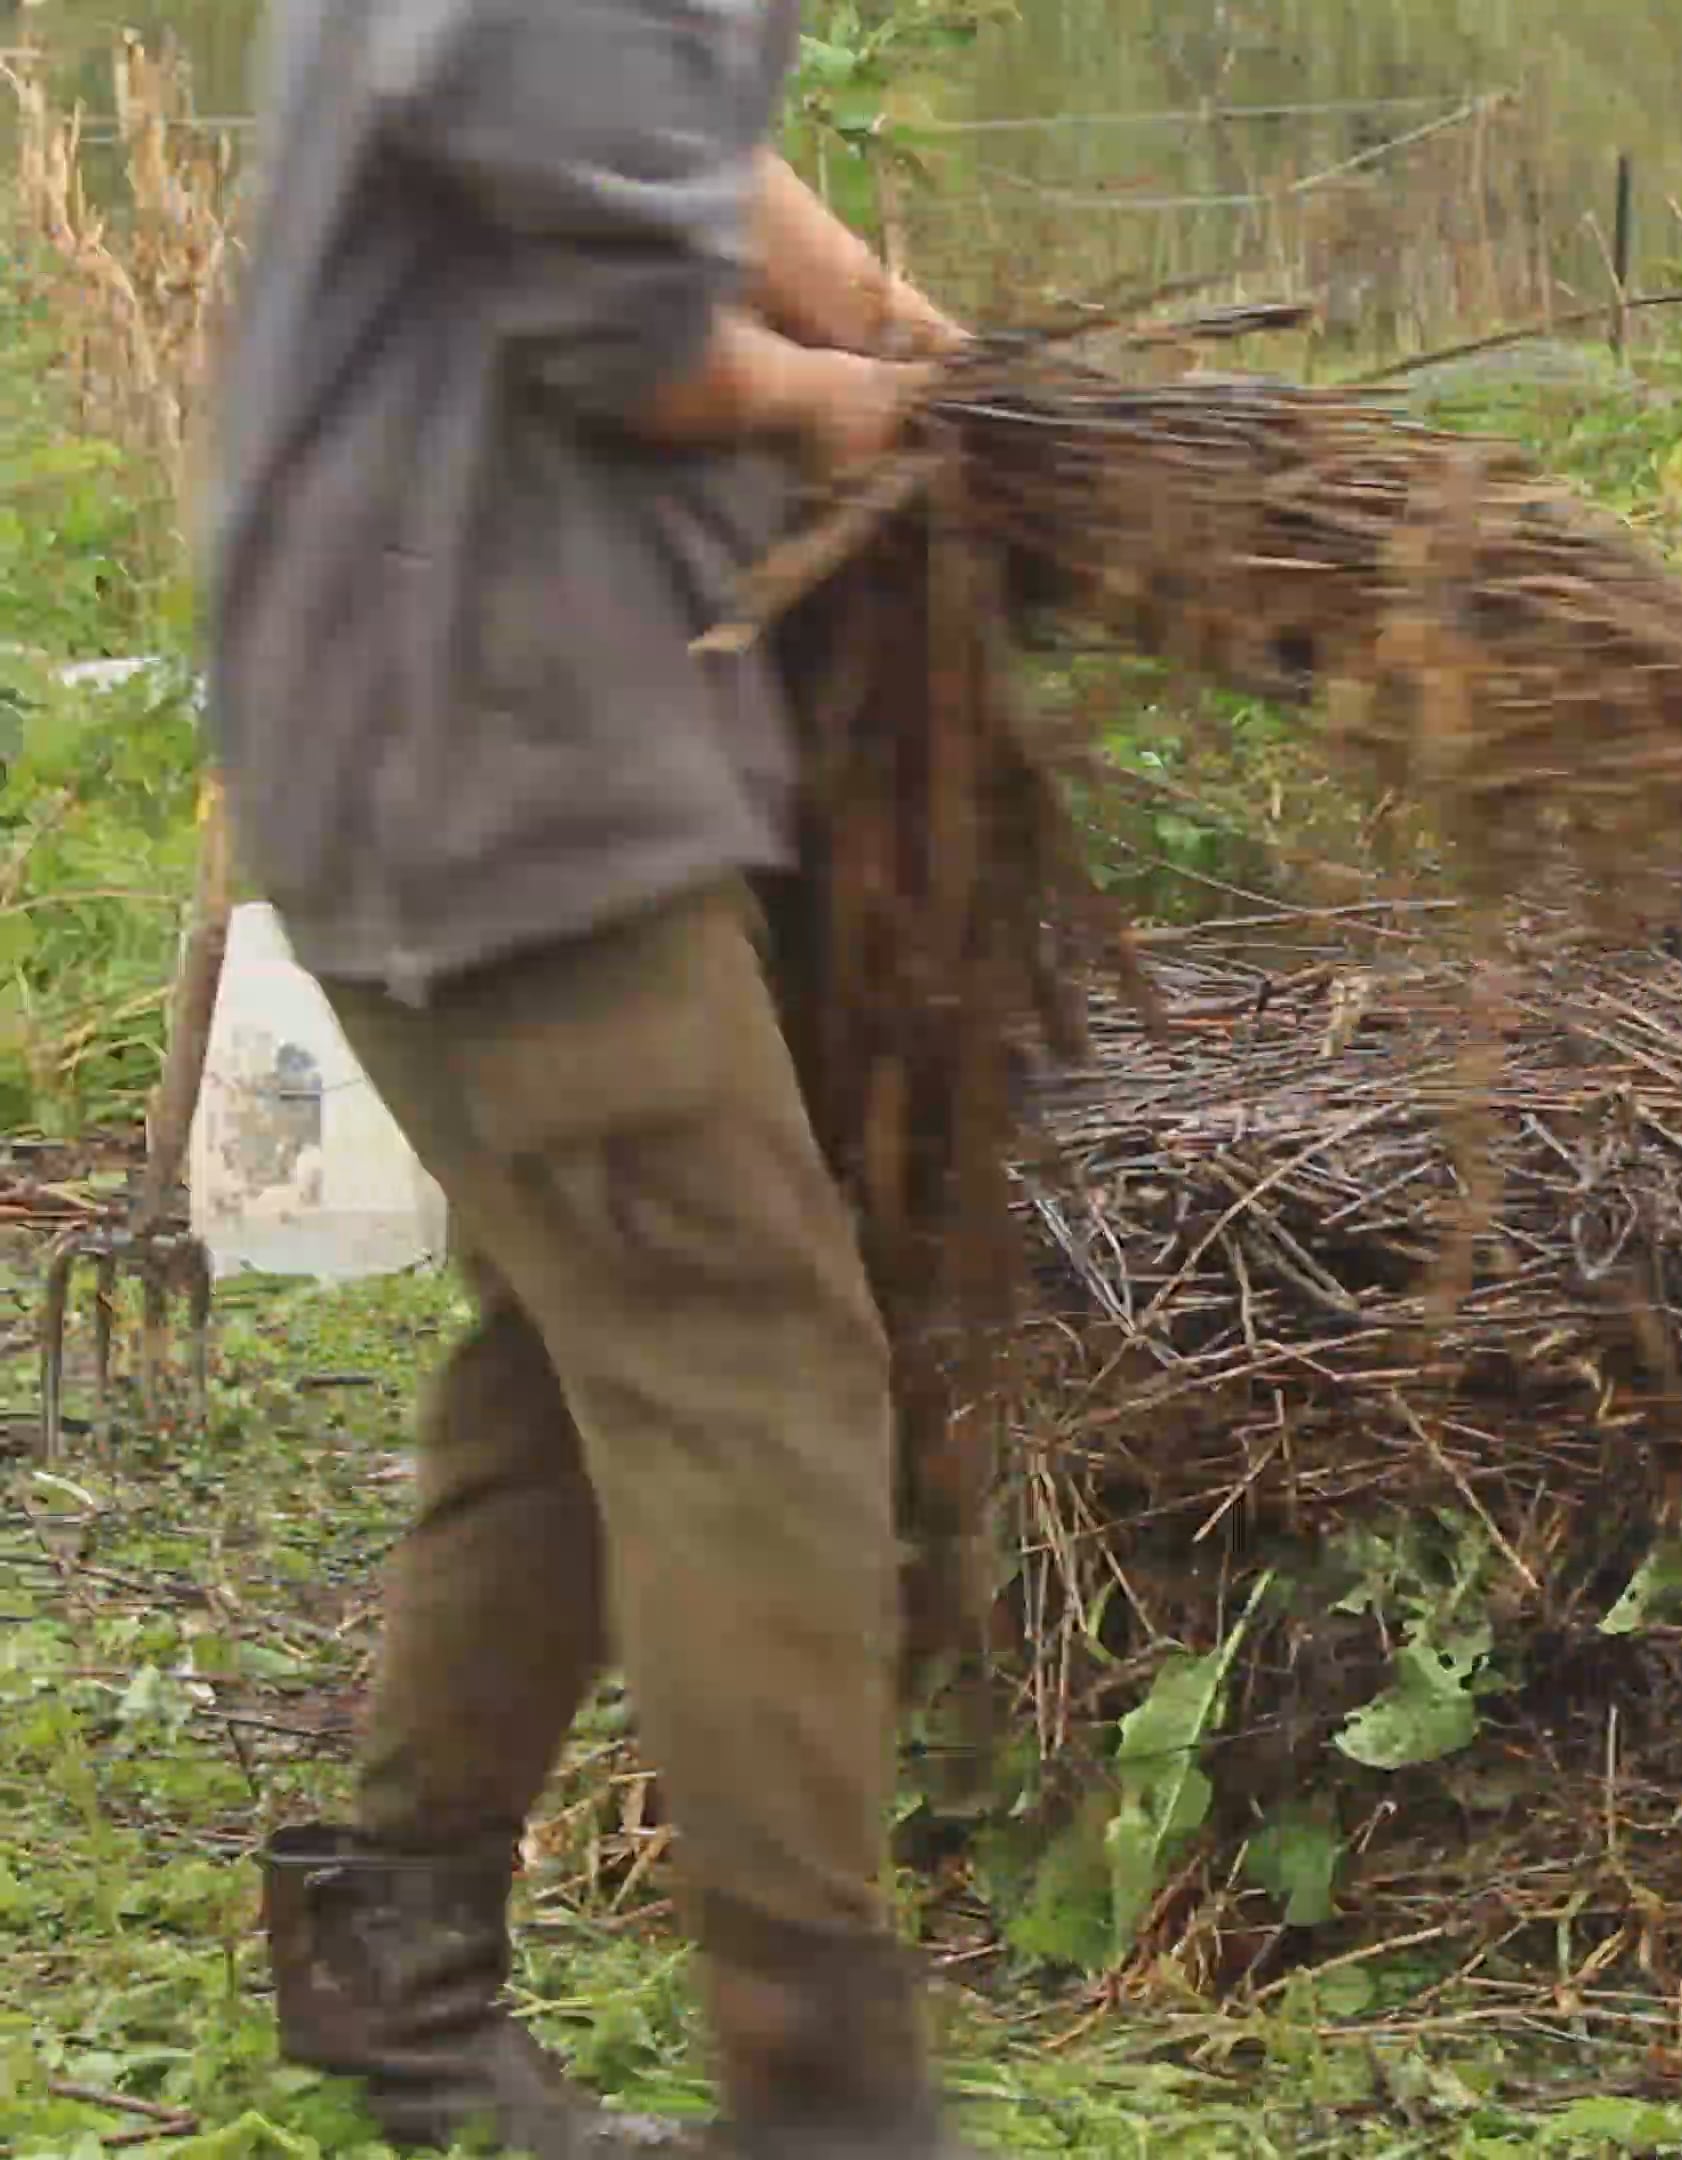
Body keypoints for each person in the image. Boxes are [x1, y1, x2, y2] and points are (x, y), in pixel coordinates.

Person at [202, 0, 988, 2148]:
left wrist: (914, 332)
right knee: (753, 1374)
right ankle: (828, 2102)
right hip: (498, 751)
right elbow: (640, 341)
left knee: (586, 1333)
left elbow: (659, 169)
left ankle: (399, 1966)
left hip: (469, 715)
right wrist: (871, 417)